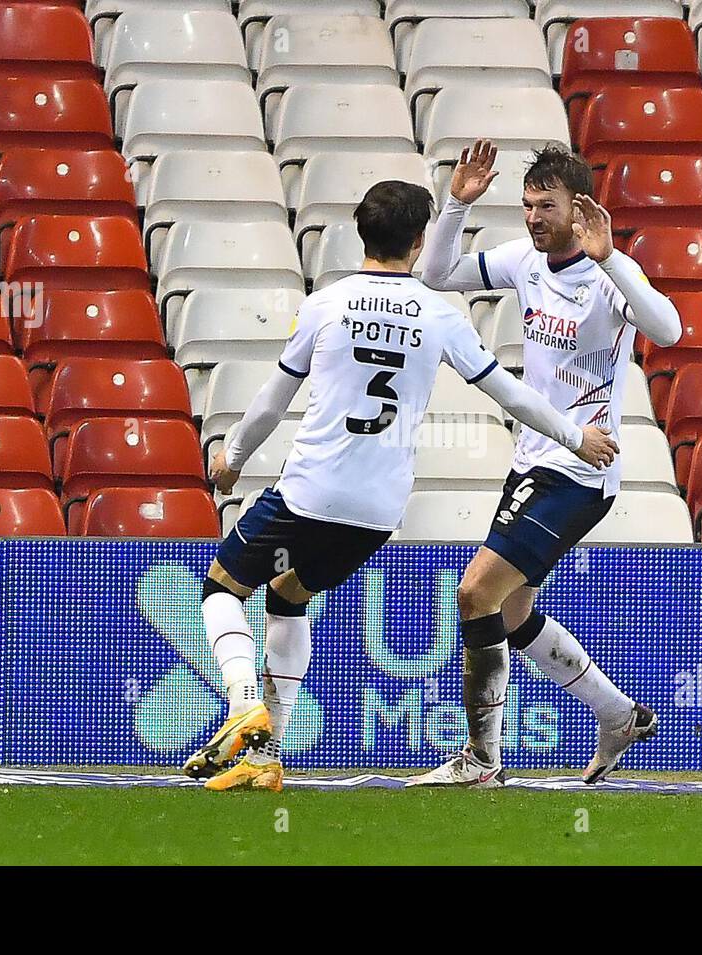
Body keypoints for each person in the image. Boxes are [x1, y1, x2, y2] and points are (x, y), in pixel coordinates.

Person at [184, 179, 620, 792]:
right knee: (286, 595)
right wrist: (575, 438)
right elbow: (511, 393)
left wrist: (233, 456)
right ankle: (266, 752)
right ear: (419, 242)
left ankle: (243, 707)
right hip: (377, 512)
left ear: (360, 231)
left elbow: (270, 401)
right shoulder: (440, 315)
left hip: (310, 490)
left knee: (222, 589)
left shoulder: (325, 305)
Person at [407, 142, 682, 788]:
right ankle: (618, 715)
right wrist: (456, 204)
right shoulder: (524, 262)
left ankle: (480, 760)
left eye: (546, 206)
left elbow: (667, 330)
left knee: (475, 591)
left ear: (580, 209)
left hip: (582, 470)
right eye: (527, 204)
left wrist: (611, 258)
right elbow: (435, 274)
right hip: (534, 460)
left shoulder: (608, 273)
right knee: (508, 612)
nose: (533, 217)